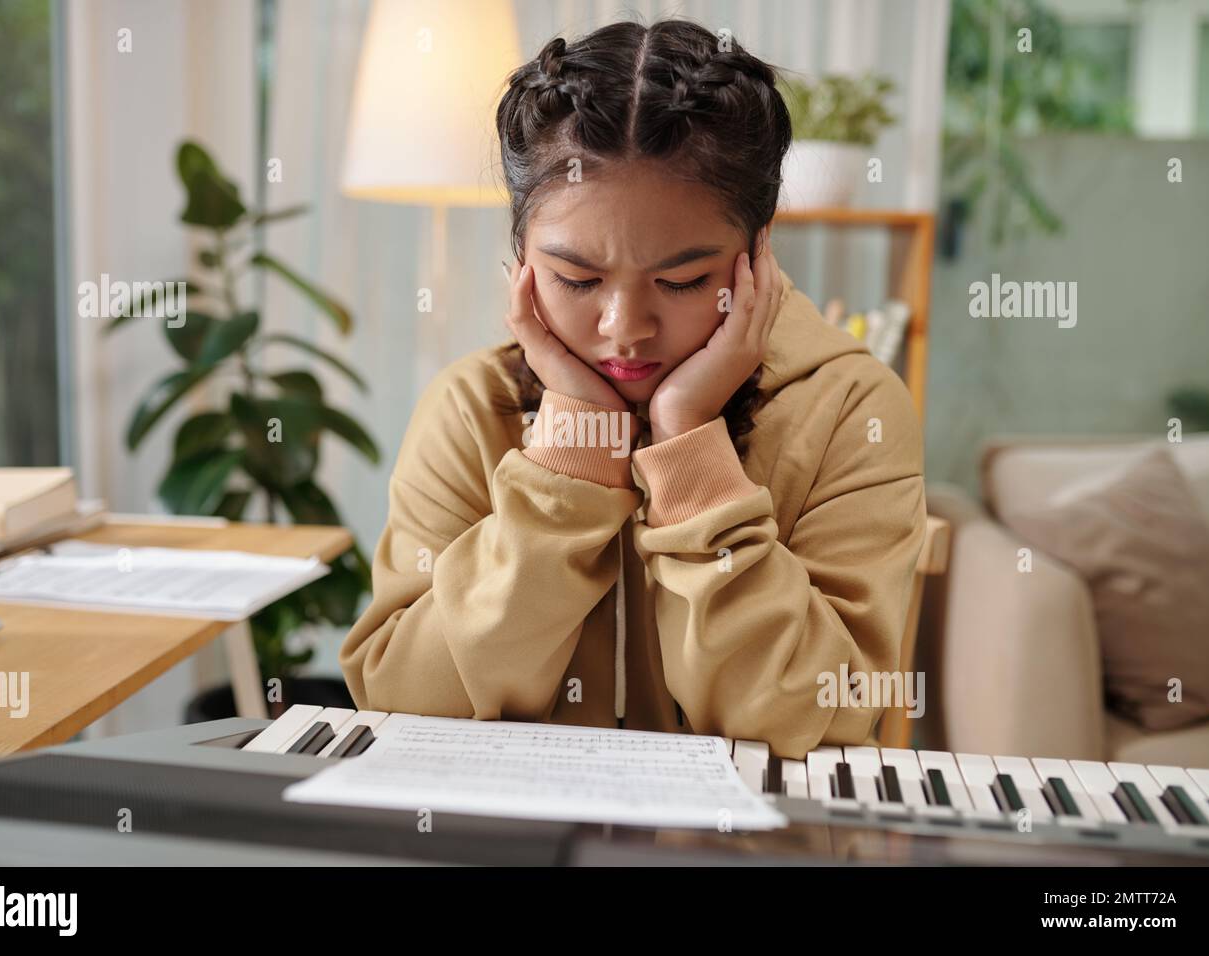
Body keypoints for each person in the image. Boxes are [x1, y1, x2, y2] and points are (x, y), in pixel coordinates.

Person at [340, 18, 926, 758]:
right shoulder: (470, 407)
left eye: (682, 280)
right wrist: (572, 454)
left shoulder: (850, 409)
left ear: (759, 254)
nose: (624, 329)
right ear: (521, 255)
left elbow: (814, 719)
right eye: (577, 279)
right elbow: (404, 703)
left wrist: (688, 451)